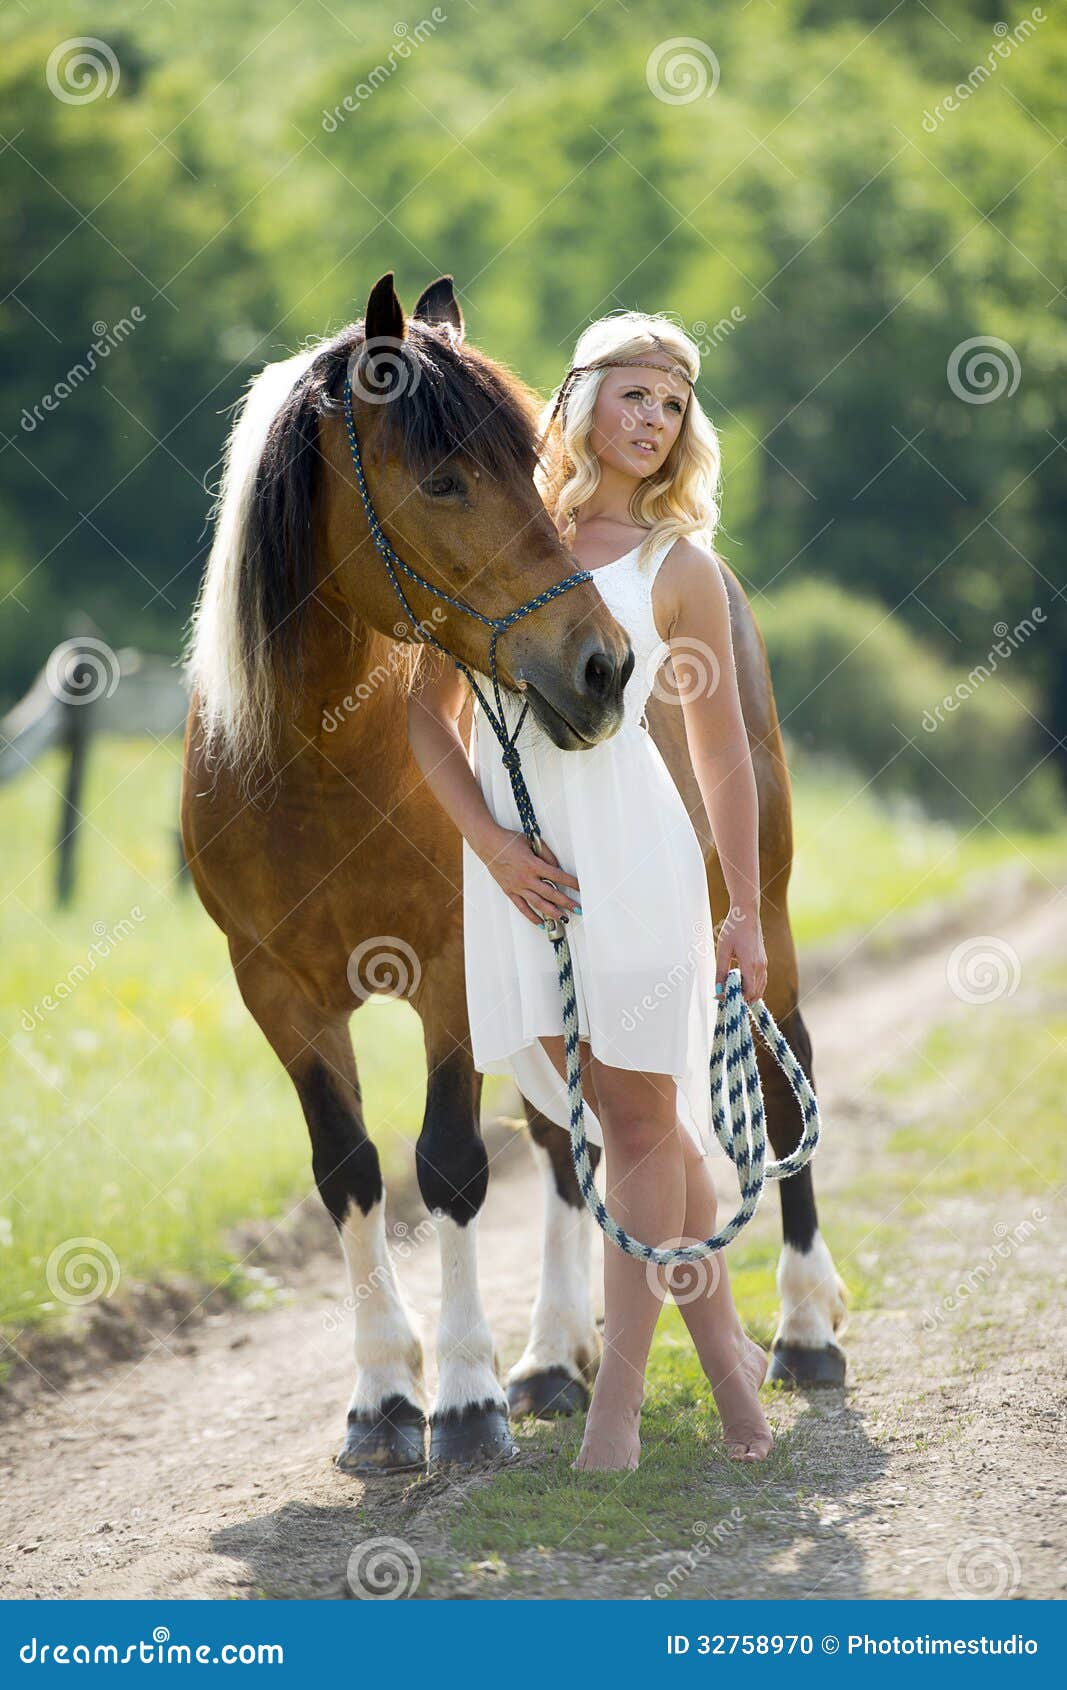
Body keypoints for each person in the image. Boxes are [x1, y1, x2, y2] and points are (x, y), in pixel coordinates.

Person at [406, 311, 771, 1471]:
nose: (652, 422)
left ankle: (611, 1412)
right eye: (633, 396)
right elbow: (425, 715)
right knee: (633, 1127)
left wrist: (744, 911)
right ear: (576, 402)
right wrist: (494, 851)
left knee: (635, 1126)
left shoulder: (681, 572)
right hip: (520, 877)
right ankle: (733, 1386)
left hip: (631, 863)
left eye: (670, 406)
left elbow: (719, 758)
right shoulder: (503, 539)